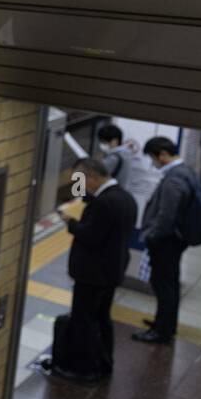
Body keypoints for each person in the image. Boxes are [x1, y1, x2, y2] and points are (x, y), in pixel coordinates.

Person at [53, 158, 137, 381]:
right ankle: (104, 362)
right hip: (112, 271)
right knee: (102, 318)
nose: (80, 185)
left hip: (93, 274)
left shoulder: (104, 203)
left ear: (91, 176)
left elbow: (90, 235)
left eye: (80, 180)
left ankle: (83, 369)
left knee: (84, 321)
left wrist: (70, 222)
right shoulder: (125, 197)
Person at [132, 137, 197, 343]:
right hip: (176, 238)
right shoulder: (186, 171)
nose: (153, 163)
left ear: (162, 155)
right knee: (170, 284)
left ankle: (162, 331)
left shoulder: (174, 178)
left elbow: (166, 215)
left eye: (153, 158)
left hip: (166, 241)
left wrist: (152, 235)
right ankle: (165, 324)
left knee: (163, 285)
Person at [96, 124, 132, 190]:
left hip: (112, 191)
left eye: (104, 142)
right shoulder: (126, 153)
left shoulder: (113, 158)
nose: (102, 145)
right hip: (122, 191)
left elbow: (97, 174)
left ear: (115, 141)